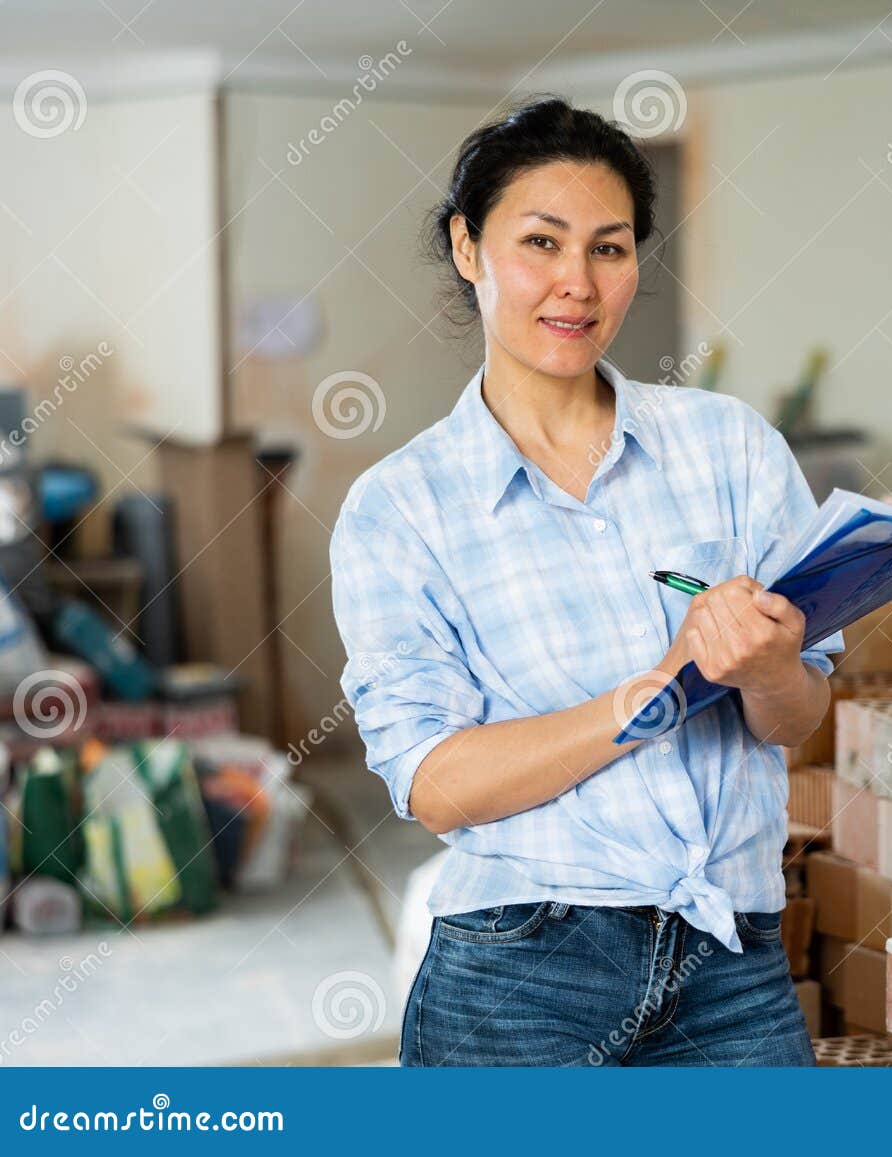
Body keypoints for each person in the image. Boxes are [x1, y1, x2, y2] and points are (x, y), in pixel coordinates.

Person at [329, 97, 842, 1066]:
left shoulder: (728, 446)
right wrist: (658, 687)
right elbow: (437, 784)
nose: (576, 282)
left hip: (729, 958)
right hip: (521, 971)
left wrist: (769, 664)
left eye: (609, 248)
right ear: (468, 247)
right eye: (541, 241)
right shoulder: (401, 507)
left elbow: (795, 715)